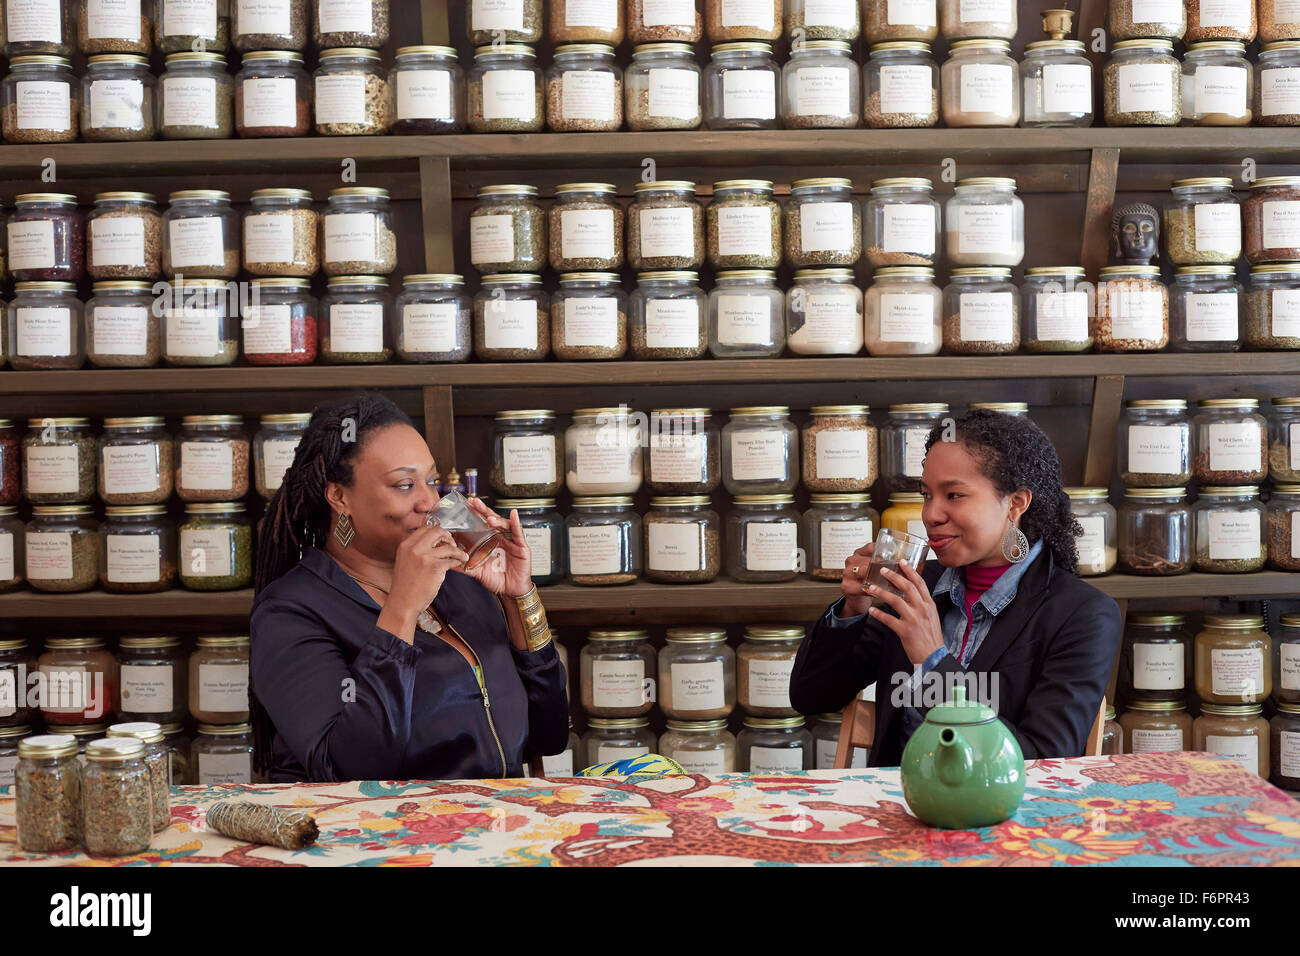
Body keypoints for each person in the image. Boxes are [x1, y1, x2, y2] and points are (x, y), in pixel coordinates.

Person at [249, 393, 568, 783]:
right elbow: (349, 770)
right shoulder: (289, 611)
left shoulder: (459, 580)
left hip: (487, 816)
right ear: (340, 497)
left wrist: (517, 597)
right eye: (404, 485)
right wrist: (401, 607)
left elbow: (550, 734)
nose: (429, 501)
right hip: (374, 822)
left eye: (431, 481)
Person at [789, 409, 1122, 764]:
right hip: (898, 794)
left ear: (1016, 503)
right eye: (926, 495)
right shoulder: (917, 586)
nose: (930, 515)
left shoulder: (1084, 615)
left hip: (1004, 800)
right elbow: (812, 697)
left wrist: (933, 661)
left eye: (954, 495)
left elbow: (1044, 760)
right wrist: (853, 610)